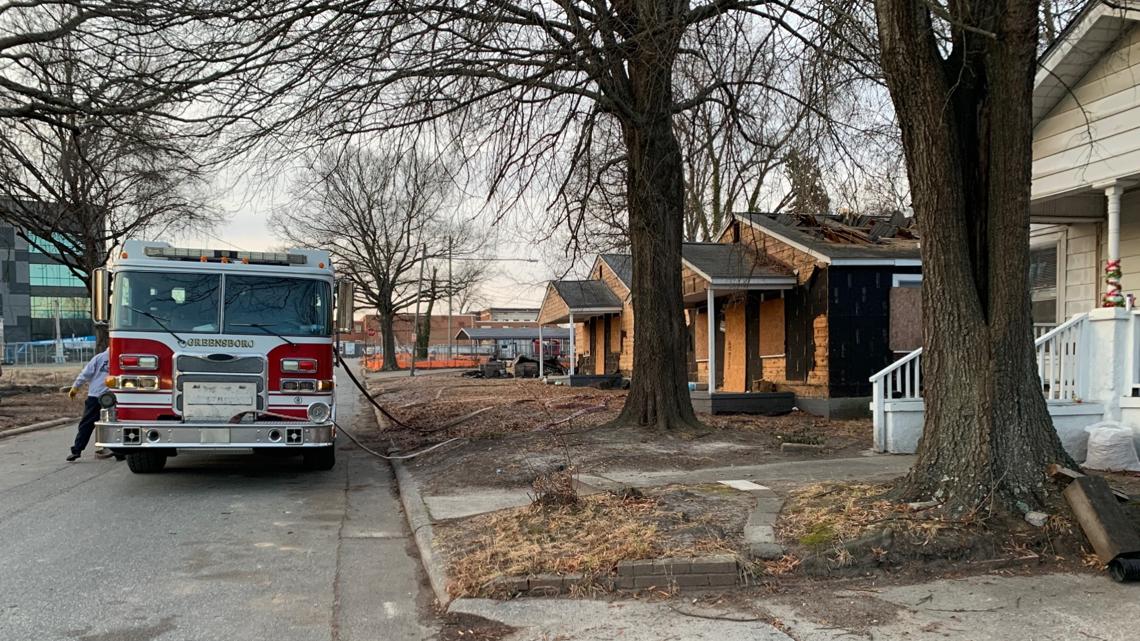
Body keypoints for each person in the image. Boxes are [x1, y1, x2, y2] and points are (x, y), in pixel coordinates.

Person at [66, 348, 111, 462]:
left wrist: (76, 387)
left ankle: (77, 450)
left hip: (95, 395)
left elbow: (85, 374)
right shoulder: (120, 358)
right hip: (113, 398)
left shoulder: (98, 358)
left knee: (86, 424)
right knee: (112, 424)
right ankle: (118, 451)